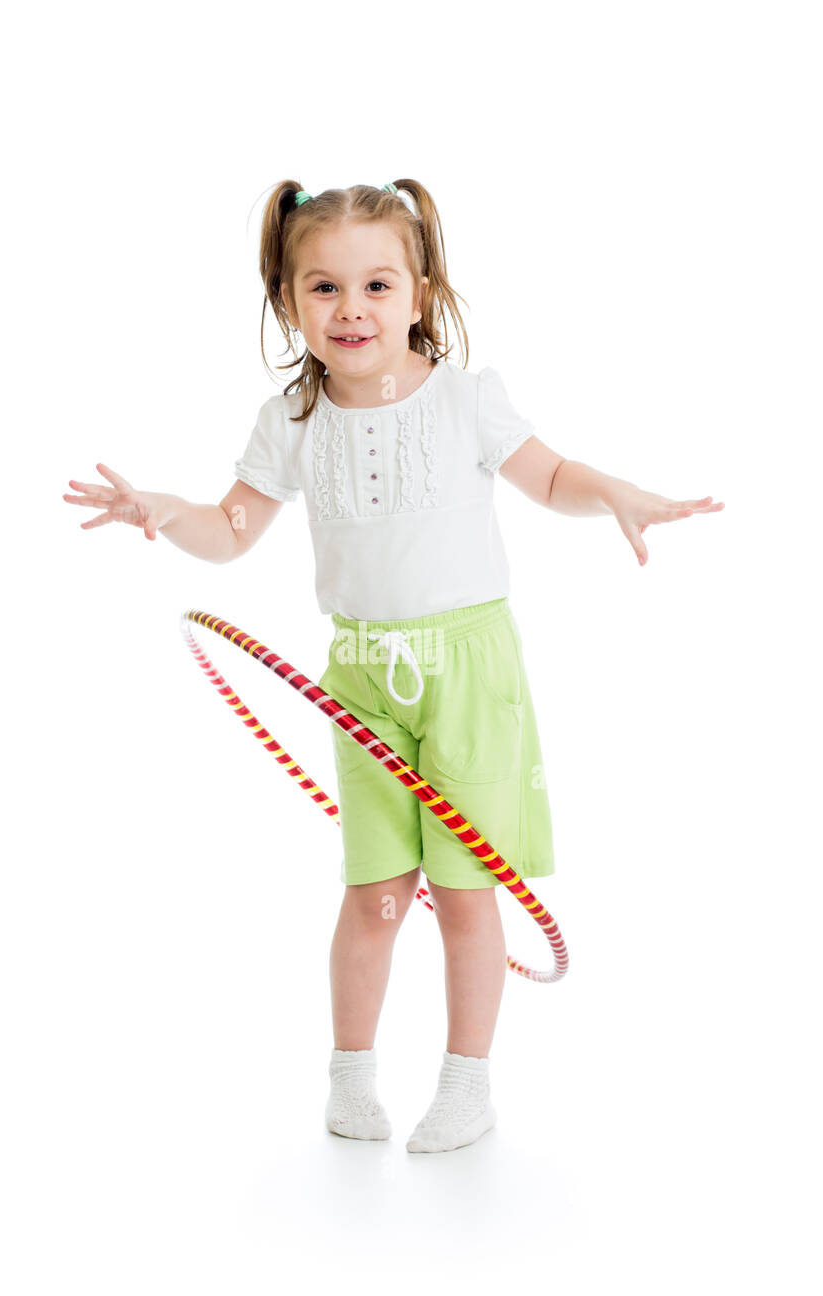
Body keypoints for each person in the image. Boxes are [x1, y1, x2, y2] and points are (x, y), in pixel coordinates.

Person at [63, 179, 724, 1154]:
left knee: (464, 890)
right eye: (322, 288)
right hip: (361, 675)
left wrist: (612, 492)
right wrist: (164, 510)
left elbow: (547, 477)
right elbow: (231, 528)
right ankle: (350, 1078)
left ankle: (465, 1086)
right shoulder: (289, 418)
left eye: (375, 284)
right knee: (375, 892)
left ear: (419, 292)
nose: (351, 308)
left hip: (467, 669)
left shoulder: (463, 400)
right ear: (289, 303)